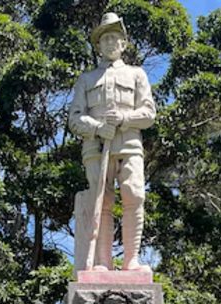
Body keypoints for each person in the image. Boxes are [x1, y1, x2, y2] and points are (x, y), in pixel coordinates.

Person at [68, 13, 157, 272]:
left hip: (129, 145)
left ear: (124, 43)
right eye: (105, 38)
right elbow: (74, 118)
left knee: (135, 195)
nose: (110, 42)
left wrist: (125, 118)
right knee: (102, 200)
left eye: (114, 38)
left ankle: (131, 260)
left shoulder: (136, 75)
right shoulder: (86, 79)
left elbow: (149, 113)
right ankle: (103, 262)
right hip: (96, 148)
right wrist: (97, 127)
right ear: (98, 45)